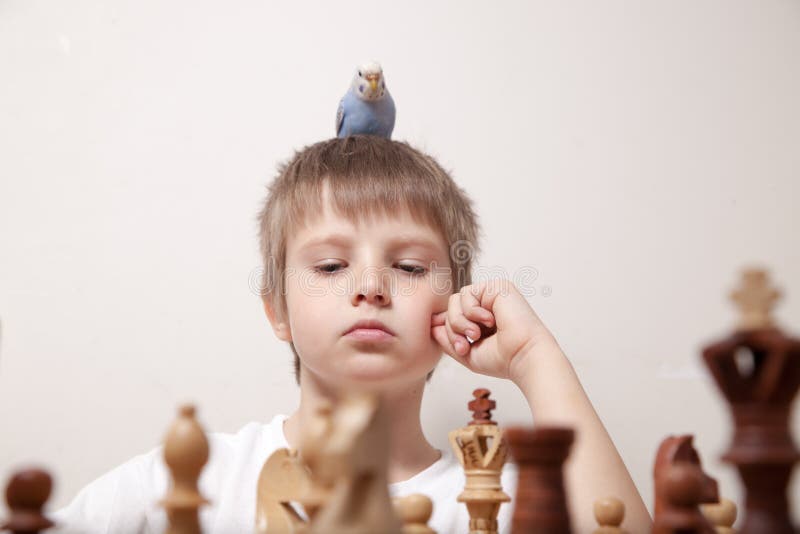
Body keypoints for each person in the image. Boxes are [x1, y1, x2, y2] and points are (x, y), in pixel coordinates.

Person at [54, 136, 651, 533]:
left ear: (454, 309)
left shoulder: (499, 499)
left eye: (410, 268)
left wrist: (532, 356)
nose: (370, 285)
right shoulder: (188, 477)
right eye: (331, 267)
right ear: (277, 310)